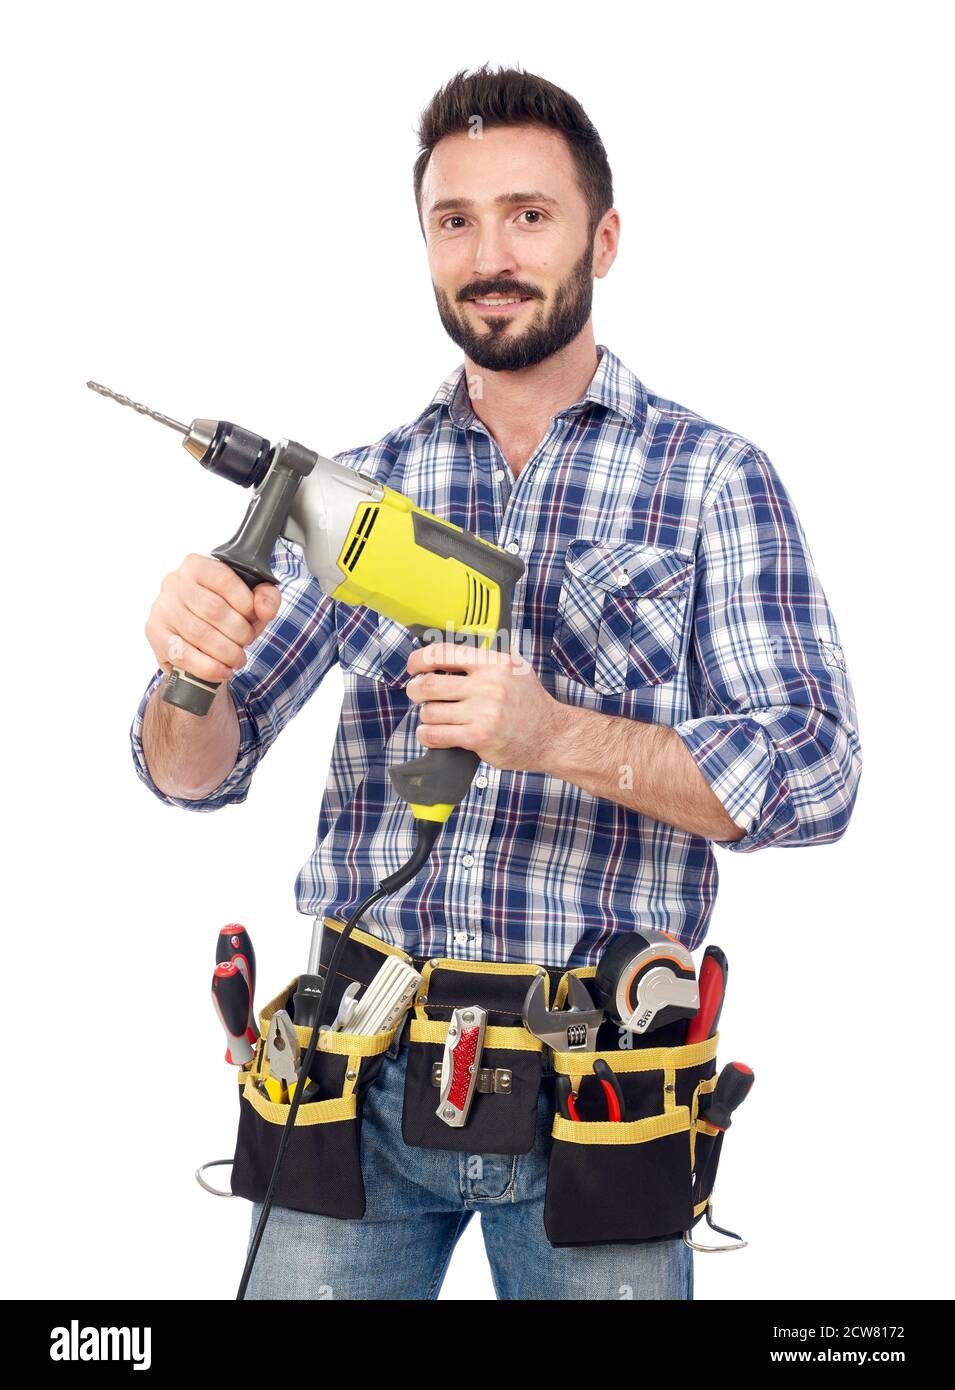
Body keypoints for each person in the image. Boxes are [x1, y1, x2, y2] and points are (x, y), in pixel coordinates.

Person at [130, 65, 862, 1300]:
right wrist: (187, 676)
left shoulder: (712, 480)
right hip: (355, 1076)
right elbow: (192, 772)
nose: (491, 254)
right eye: (454, 220)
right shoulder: (356, 497)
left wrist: (557, 733)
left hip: (598, 1082)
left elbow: (816, 772)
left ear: (602, 237)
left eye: (529, 214)